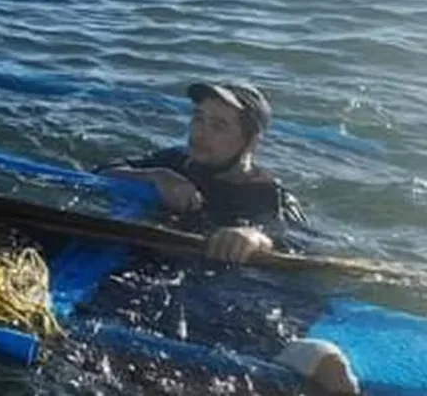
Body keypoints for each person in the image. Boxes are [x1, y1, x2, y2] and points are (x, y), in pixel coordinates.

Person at [100, 81, 358, 394]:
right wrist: (156, 177)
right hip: (159, 268)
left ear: (250, 141)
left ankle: (298, 355)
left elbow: (299, 245)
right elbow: (103, 170)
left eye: (218, 125)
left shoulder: (268, 195)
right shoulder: (174, 162)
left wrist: (256, 236)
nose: (200, 132)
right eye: (198, 118)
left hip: (231, 286)